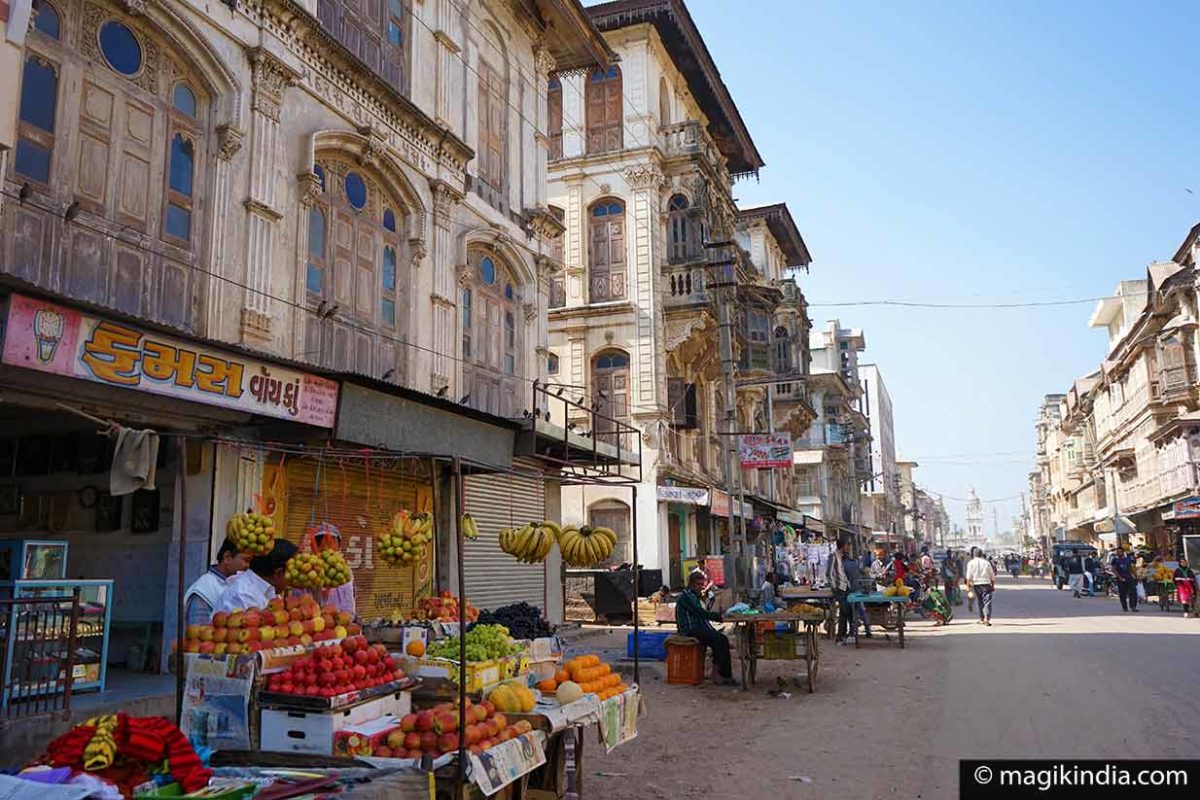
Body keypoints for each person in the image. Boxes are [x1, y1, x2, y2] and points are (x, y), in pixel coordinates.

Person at [675, 570, 734, 685]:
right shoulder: (687, 596)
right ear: (691, 584)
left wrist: (714, 630)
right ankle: (715, 673)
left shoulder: (695, 597)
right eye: (698, 584)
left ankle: (726, 676)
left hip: (697, 628)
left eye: (702, 585)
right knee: (719, 640)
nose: (701, 587)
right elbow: (701, 613)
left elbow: (703, 620)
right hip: (689, 630)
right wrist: (719, 617)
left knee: (722, 639)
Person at [216, 539, 298, 614]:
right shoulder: (243, 596)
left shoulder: (271, 590)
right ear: (279, 573)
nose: (292, 579)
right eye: (291, 573)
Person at [184, 538, 248, 626]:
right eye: (246, 561)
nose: (248, 566)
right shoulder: (204, 590)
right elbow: (198, 633)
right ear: (227, 558)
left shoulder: (240, 584)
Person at [313, 525, 356, 616]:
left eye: (332, 542)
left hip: (341, 623)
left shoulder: (344, 571)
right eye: (320, 542)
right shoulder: (309, 571)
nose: (325, 547)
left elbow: (348, 604)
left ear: (339, 546)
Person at [843, 544, 872, 637]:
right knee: (861, 610)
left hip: (850, 590)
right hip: (858, 589)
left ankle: (852, 631)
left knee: (851, 612)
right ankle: (868, 630)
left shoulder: (844, 564)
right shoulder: (857, 562)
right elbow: (864, 573)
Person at [828, 540, 851, 643]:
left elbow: (842, 573)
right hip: (839, 588)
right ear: (843, 545)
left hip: (845, 587)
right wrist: (833, 586)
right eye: (847, 545)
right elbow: (829, 573)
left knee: (845, 612)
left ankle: (842, 636)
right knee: (844, 611)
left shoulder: (842, 556)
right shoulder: (833, 555)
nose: (848, 547)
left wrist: (848, 584)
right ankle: (840, 636)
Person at [965, 547, 996, 625]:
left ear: (973, 554)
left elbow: (968, 576)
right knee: (987, 601)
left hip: (976, 585)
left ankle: (982, 618)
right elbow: (991, 574)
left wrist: (968, 586)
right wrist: (992, 584)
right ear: (981, 554)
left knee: (980, 601)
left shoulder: (970, 563)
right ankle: (986, 618)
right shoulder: (986, 563)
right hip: (986, 584)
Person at [1111, 547, 1139, 612]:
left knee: (1133, 592)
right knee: (1122, 594)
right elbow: (1114, 569)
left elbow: (1131, 568)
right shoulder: (1115, 560)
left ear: (1123, 552)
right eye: (1117, 552)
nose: (1118, 553)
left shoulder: (1128, 559)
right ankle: (1124, 607)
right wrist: (1119, 577)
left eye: (1120, 552)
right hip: (1120, 579)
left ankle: (1133, 606)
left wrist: (1136, 576)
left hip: (1129, 577)